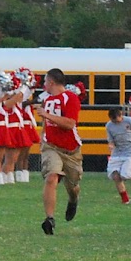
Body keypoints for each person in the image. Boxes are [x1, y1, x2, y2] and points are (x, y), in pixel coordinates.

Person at [37, 68, 84, 234]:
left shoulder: (70, 98)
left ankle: (73, 199)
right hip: (51, 146)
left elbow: (70, 124)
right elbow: (46, 123)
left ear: (51, 82)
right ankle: (49, 218)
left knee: (73, 185)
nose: (44, 85)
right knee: (51, 177)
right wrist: (42, 136)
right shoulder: (47, 99)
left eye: (45, 81)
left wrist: (47, 115)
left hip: (71, 149)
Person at [105, 107, 131, 204]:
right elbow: (111, 140)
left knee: (125, 175)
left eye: (116, 120)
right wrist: (111, 145)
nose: (115, 123)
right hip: (117, 153)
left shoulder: (129, 121)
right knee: (115, 176)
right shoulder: (109, 126)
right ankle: (125, 199)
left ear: (120, 116)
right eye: (113, 121)